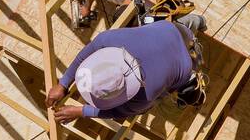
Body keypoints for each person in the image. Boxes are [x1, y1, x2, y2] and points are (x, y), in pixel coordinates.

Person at [46, 20, 196, 123]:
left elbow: (120, 112)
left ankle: (195, 44)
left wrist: (80, 111)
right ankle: (194, 24)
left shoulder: (146, 95)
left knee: (151, 105)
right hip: (169, 28)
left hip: (186, 63)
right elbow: (84, 55)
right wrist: (62, 84)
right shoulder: (108, 39)